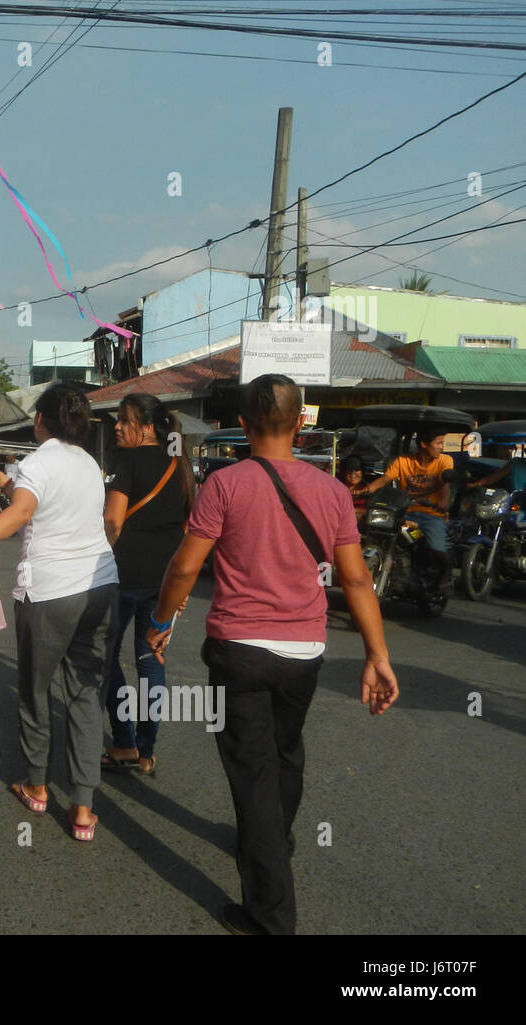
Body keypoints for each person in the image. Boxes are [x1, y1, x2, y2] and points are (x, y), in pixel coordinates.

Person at [145, 374, 398, 934]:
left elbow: (185, 566)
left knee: (253, 773)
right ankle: (274, 843)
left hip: (240, 650)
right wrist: (377, 655)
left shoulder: (225, 484)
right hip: (305, 651)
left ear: (242, 424)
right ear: (302, 422)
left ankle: (270, 915)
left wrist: (162, 622)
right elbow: (355, 582)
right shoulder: (332, 492)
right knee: (285, 753)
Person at [0, 382, 118, 842]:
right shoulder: (88, 462)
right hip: (101, 585)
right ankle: (84, 809)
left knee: (36, 688)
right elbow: (45, 504)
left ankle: (37, 784)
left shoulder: (37, 461)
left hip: (49, 592)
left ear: (40, 421)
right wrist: (4, 480)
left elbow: (25, 512)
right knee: (86, 695)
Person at [101, 393, 193, 776]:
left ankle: (124, 742)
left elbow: (113, 523)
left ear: (148, 428)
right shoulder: (182, 465)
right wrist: (182, 589)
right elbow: (190, 531)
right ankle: (146, 751)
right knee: (151, 662)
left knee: (104, 658)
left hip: (122, 578)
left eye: (125, 420)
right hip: (165, 580)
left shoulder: (129, 460)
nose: (118, 427)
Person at [359, 427, 453, 594]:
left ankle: (444, 578)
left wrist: (444, 502)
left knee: (437, 549)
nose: (441, 447)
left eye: (442, 443)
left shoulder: (444, 461)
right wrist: (364, 490)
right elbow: (385, 479)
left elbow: (446, 484)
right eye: (438, 443)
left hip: (431, 515)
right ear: (424, 444)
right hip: (405, 512)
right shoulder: (403, 461)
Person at [338, 454, 369, 521]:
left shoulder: (369, 489)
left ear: (362, 472)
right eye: (349, 470)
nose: (353, 474)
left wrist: (354, 511)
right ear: (344, 472)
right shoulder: (337, 487)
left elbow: (373, 512)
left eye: (357, 469)